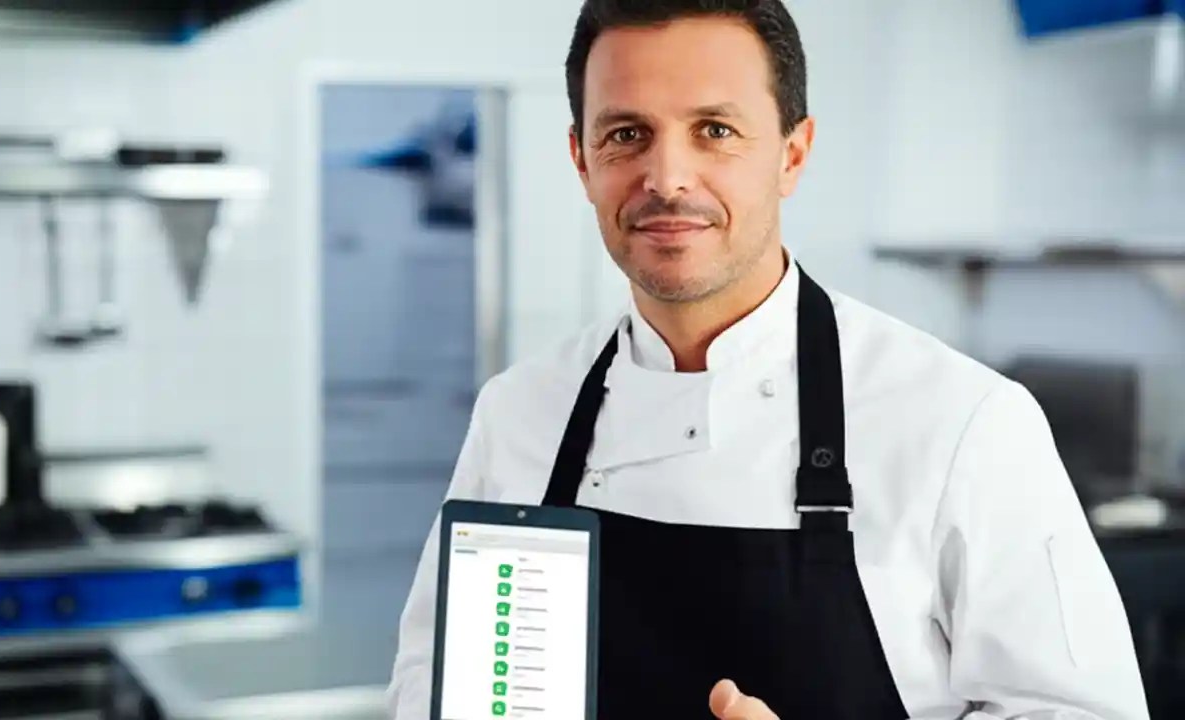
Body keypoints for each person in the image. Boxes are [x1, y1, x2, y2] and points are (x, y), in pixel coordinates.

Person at [386, 1, 1149, 718]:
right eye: (626, 134)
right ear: (581, 159)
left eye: (714, 130)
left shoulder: (963, 423)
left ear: (792, 154)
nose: (667, 178)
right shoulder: (519, 411)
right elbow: (433, 685)